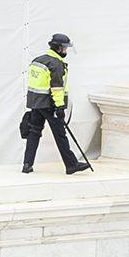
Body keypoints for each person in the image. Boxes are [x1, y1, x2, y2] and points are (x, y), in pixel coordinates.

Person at [20, 34, 86, 176]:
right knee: (60, 134)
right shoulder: (56, 64)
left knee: (34, 132)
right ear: (58, 48)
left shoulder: (38, 61)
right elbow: (56, 88)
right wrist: (60, 107)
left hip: (36, 104)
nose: (66, 51)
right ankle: (71, 165)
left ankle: (27, 164)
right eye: (64, 48)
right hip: (50, 105)